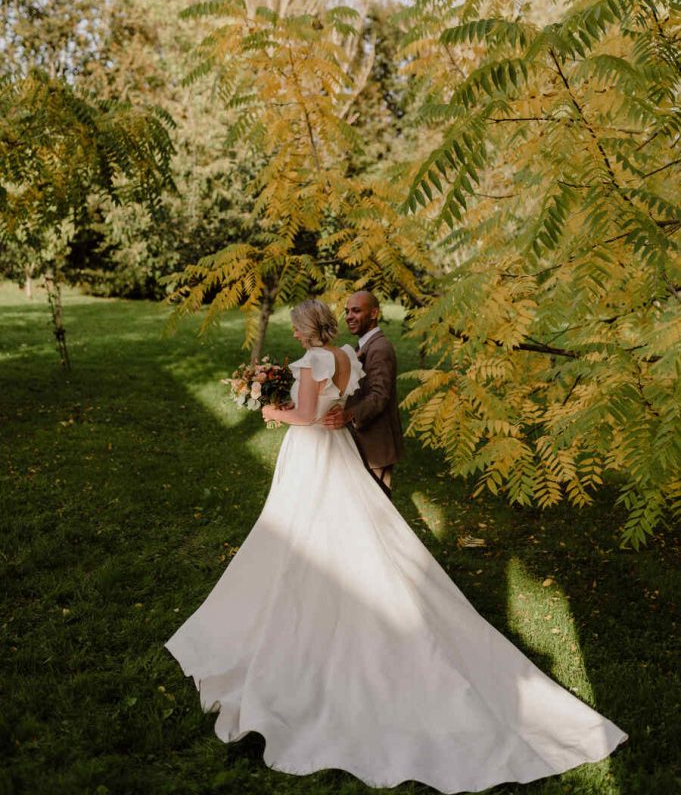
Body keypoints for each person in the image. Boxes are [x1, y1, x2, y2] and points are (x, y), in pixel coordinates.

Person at [165, 298, 626, 794]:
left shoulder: (312, 360)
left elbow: (303, 414)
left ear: (304, 329)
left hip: (312, 453)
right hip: (339, 452)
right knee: (351, 525)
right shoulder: (345, 354)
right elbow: (340, 399)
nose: (295, 335)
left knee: (302, 532)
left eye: (297, 329)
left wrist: (269, 410)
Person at [323, 290, 402, 499]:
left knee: (378, 509)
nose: (349, 316)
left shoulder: (380, 348)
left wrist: (348, 415)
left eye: (356, 311)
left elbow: (379, 396)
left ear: (374, 313)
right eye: (347, 311)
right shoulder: (364, 345)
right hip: (363, 442)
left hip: (377, 445)